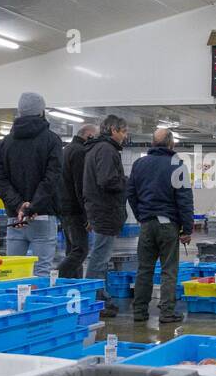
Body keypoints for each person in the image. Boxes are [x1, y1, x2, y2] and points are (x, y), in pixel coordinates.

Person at [0, 91, 62, 273]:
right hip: (42, 216)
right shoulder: (52, 140)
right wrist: (32, 206)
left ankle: (15, 302)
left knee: (13, 271)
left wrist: (19, 205)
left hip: (16, 218)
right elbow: (52, 178)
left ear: (19, 112)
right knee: (42, 271)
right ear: (41, 112)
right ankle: (37, 302)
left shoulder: (4, 143)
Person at [127, 128, 194, 324]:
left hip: (147, 224)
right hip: (168, 225)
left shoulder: (139, 164)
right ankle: (166, 312)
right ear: (171, 143)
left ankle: (139, 311)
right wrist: (187, 229)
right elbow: (184, 199)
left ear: (153, 143)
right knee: (168, 270)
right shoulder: (177, 165)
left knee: (144, 269)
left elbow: (130, 193)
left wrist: (141, 216)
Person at [83, 114, 130, 318]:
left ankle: (99, 296)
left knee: (100, 257)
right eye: (124, 131)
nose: (125, 136)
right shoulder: (106, 150)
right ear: (113, 130)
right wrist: (126, 182)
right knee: (99, 258)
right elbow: (107, 180)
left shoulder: (98, 149)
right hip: (105, 210)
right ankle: (93, 299)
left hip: (101, 209)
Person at [56, 123, 97, 279]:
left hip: (64, 207)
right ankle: (55, 276)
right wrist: (88, 215)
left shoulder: (65, 151)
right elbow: (81, 186)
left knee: (71, 250)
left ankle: (74, 285)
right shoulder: (80, 152)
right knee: (80, 250)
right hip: (75, 210)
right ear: (89, 136)